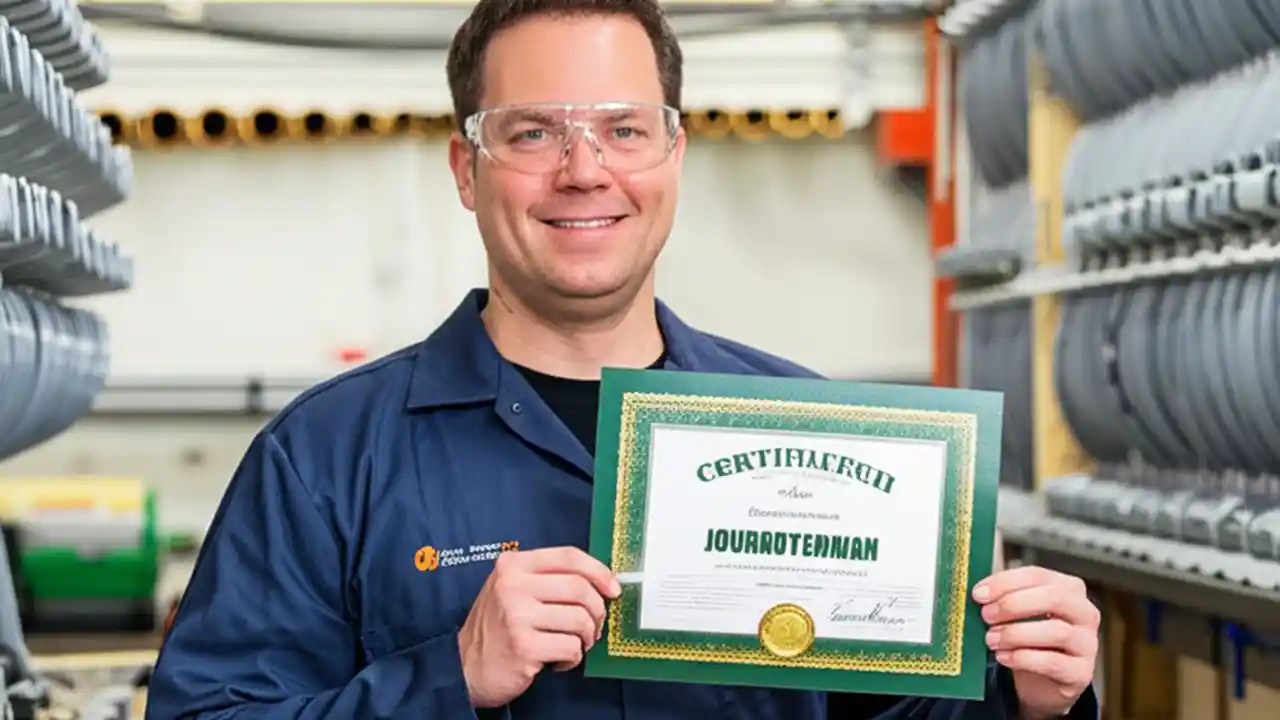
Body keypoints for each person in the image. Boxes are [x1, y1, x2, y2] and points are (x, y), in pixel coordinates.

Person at [146, 0, 1102, 717]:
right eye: (533, 132)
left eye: (624, 129)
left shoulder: (831, 439)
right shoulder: (324, 457)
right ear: (465, 170)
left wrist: (1029, 696)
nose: (585, 168)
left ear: (674, 155)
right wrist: (447, 678)